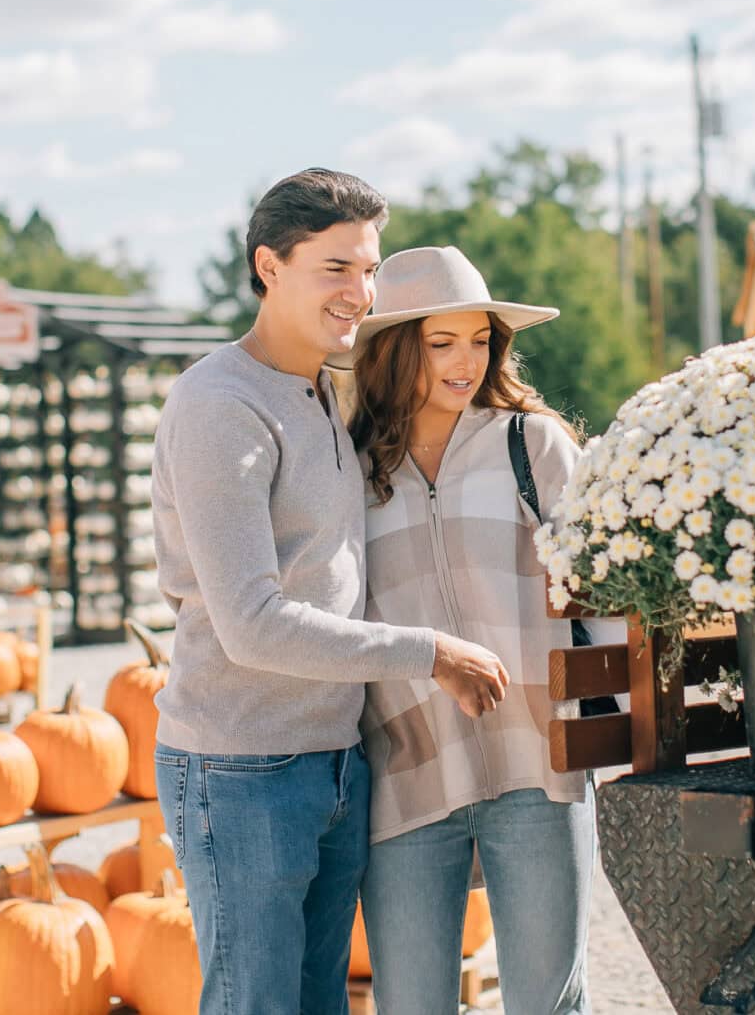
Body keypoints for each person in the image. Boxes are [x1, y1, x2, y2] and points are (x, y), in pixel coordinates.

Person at [150, 172, 512, 1015]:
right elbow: (251, 624)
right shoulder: (221, 405)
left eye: (369, 269)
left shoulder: (324, 390)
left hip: (333, 759)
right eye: (335, 269)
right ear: (269, 267)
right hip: (241, 766)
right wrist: (430, 651)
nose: (361, 294)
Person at [342, 245, 597, 1015]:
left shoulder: (533, 443)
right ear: (394, 351)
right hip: (406, 772)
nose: (466, 363)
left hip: (539, 765)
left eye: (480, 340)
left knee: (548, 1006)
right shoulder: (349, 466)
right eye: (441, 343)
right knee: (412, 1004)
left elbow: (608, 590)